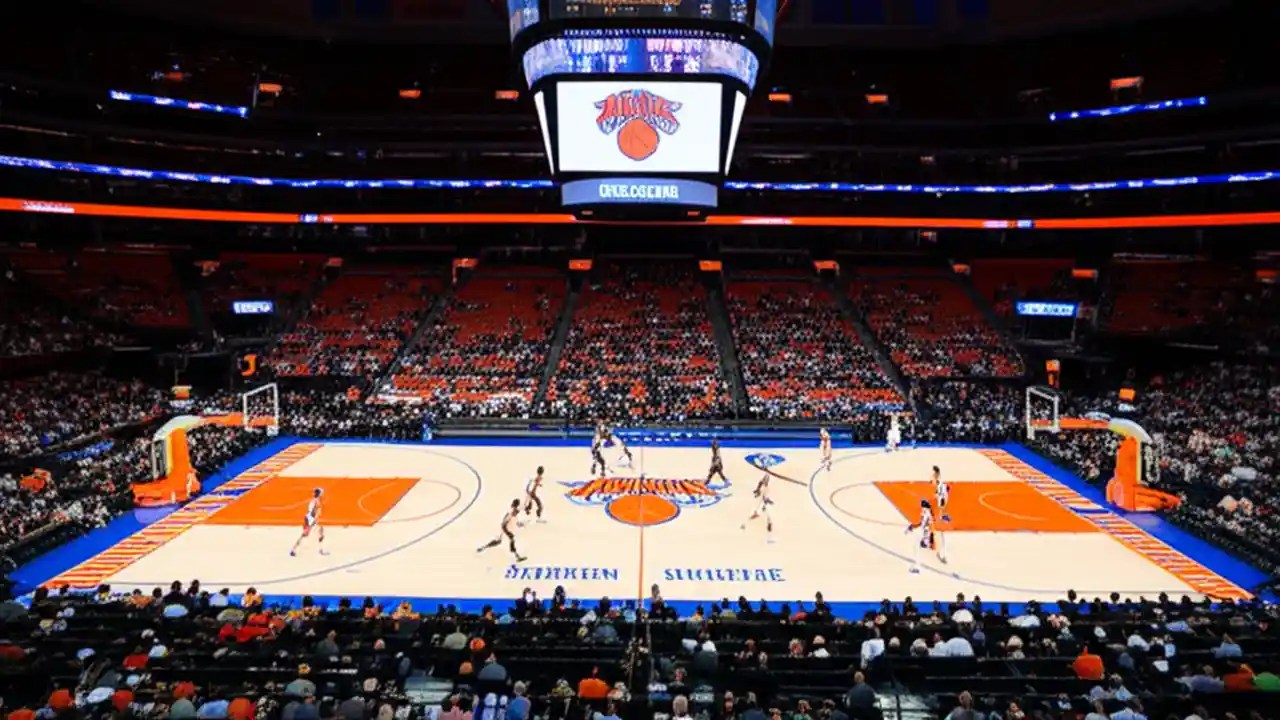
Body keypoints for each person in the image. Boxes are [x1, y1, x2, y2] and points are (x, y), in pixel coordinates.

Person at [906, 499, 945, 572]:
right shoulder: (929, 513)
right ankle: (941, 555)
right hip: (925, 534)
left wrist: (912, 527)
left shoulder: (926, 513)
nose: (922, 508)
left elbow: (922, 524)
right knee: (917, 549)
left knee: (916, 549)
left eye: (922, 506)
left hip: (923, 533)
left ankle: (917, 566)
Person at [290, 488, 327, 557]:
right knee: (306, 534)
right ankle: (293, 549)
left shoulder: (314, 501)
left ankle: (321, 549)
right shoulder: (316, 501)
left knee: (320, 532)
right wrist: (314, 519)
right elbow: (312, 511)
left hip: (310, 518)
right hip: (311, 519)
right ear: (319, 494)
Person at [741, 472, 774, 543]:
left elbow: (761, 495)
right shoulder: (765, 488)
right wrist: (770, 501)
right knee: (768, 522)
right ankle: (769, 539)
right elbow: (765, 498)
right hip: (762, 507)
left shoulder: (761, 487)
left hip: (761, 507)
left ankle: (744, 525)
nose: (767, 481)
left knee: (768, 521)